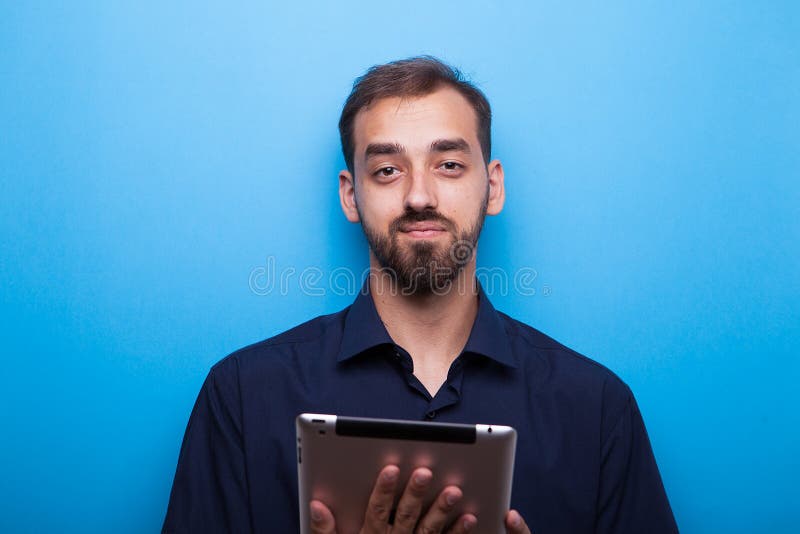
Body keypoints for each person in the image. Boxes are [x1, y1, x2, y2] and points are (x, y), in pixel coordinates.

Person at [163, 56, 678, 533]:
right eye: (387, 170)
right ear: (351, 195)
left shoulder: (597, 408)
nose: (418, 196)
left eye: (448, 164)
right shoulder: (243, 396)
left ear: (493, 187)